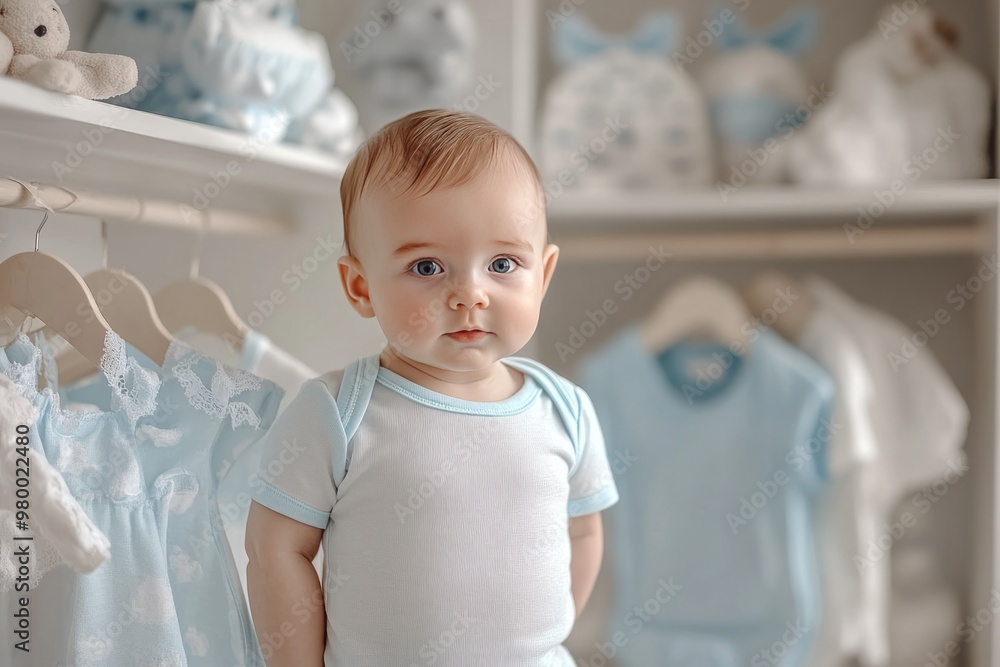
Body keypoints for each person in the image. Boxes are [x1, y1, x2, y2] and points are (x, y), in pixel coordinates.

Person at [245, 109, 619, 667]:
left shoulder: (565, 410)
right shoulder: (337, 413)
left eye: (501, 263)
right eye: (427, 268)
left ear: (542, 276)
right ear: (360, 286)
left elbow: (583, 534)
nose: (469, 294)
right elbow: (276, 550)